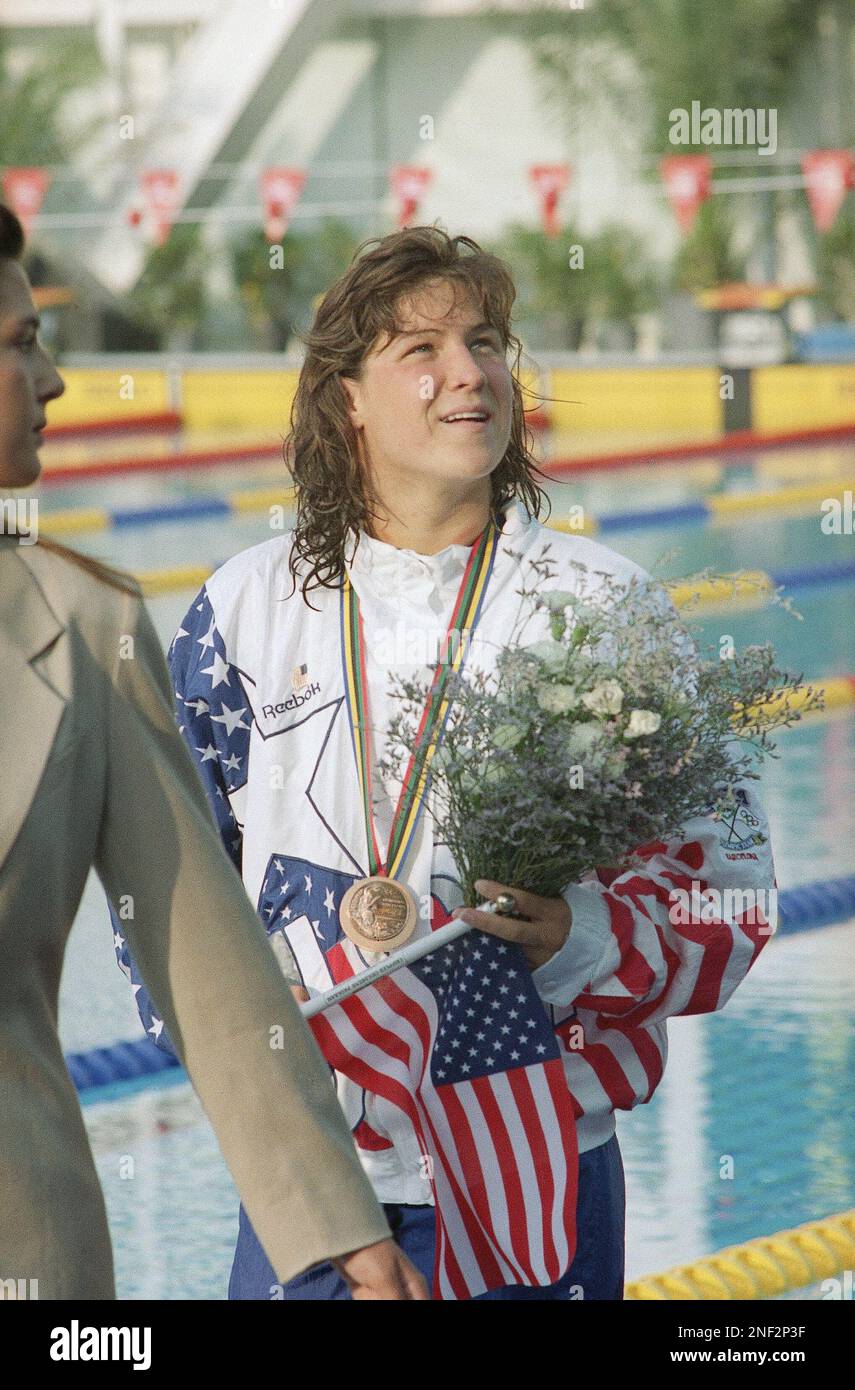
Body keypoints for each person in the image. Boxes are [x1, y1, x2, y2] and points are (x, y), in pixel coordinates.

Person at [125, 225, 776, 1300]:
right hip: (316, 1192)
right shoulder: (240, 611)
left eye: (485, 341)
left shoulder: (606, 608)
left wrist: (586, 936)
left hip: (541, 1166)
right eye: (420, 350)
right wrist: (276, 1118)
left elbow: (732, 909)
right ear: (347, 396)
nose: (468, 373)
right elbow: (161, 911)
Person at [0, 201, 426, 1302]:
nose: (53, 382)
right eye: (18, 345)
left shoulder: (83, 626)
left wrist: (341, 1225)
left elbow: (209, 962)